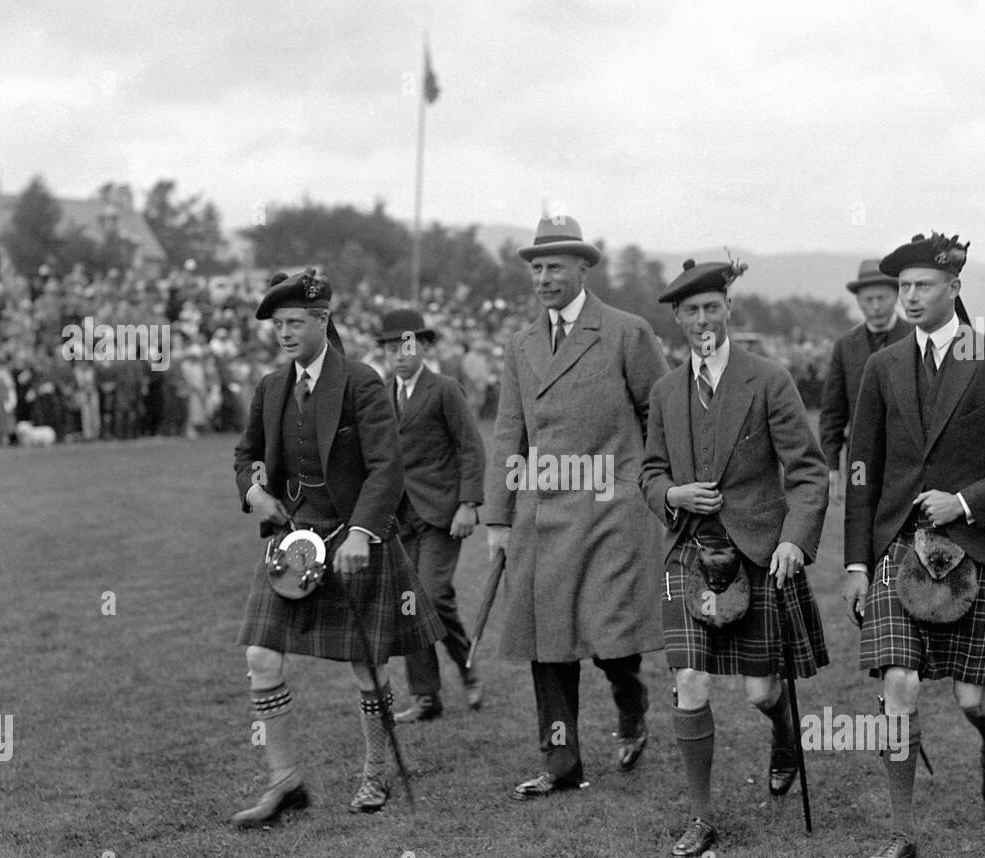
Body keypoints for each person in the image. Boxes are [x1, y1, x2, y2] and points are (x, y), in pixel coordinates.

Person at [843, 232, 985, 858]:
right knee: (900, 683)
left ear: (955, 288)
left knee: (970, 699)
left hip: (976, 551)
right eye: (902, 287)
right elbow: (862, 470)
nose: (908, 298)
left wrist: (965, 502)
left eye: (921, 287)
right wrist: (857, 563)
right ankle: (900, 832)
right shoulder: (881, 368)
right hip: (895, 550)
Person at [231, 269, 444, 826]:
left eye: (294, 323)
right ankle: (284, 782)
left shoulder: (361, 381)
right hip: (293, 540)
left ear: (323, 320)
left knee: (366, 666)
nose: (284, 334)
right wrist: (254, 490)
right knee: (259, 655)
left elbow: (386, 468)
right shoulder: (272, 387)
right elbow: (247, 454)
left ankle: (376, 772)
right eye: (278, 325)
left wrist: (359, 533)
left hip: (353, 536)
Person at [641, 258, 830, 857]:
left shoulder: (769, 379)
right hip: (689, 555)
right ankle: (701, 817)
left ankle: (785, 736)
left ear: (729, 310)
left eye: (711, 308)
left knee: (759, 692)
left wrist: (794, 541)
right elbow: (648, 472)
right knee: (689, 680)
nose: (702, 320)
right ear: (676, 318)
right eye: (690, 311)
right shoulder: (666, 392)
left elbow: (807, 472)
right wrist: (671, 493)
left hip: (757, 551)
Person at [484, 216, 668, 800]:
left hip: (612, 508)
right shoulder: (521, 344)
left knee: (610, 638)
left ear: (583, 269)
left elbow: (658, 415)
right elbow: (509, 428)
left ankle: (631, 707)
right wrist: (497, 517)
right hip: (542, 512)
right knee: (548, 643)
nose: (544, 278)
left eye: (555, 267)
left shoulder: (625, 332)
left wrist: (650, 486)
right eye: (536, 268)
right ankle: (561, 762)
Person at [376, 308, 488, 721]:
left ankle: (467, 666)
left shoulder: (444, 390)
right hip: (399, 517)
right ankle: (426, 696)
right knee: (410, 602)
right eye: (391, 348)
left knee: (432, 595)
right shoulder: (382, 394)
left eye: (406, 346)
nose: (399, 355)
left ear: (424, 347)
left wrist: (469, 504)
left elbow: (470, 447)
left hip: (443, 513)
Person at [820, 260, 913, 500]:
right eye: (868, 300)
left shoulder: (916, 338)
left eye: (882, 298)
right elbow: (833, 412)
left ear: (897, 296)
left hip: (908, 461)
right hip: (859, 461)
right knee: (859, 519)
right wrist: (831, 466)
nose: (876, 307)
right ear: (859, 301)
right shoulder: (845, 345)